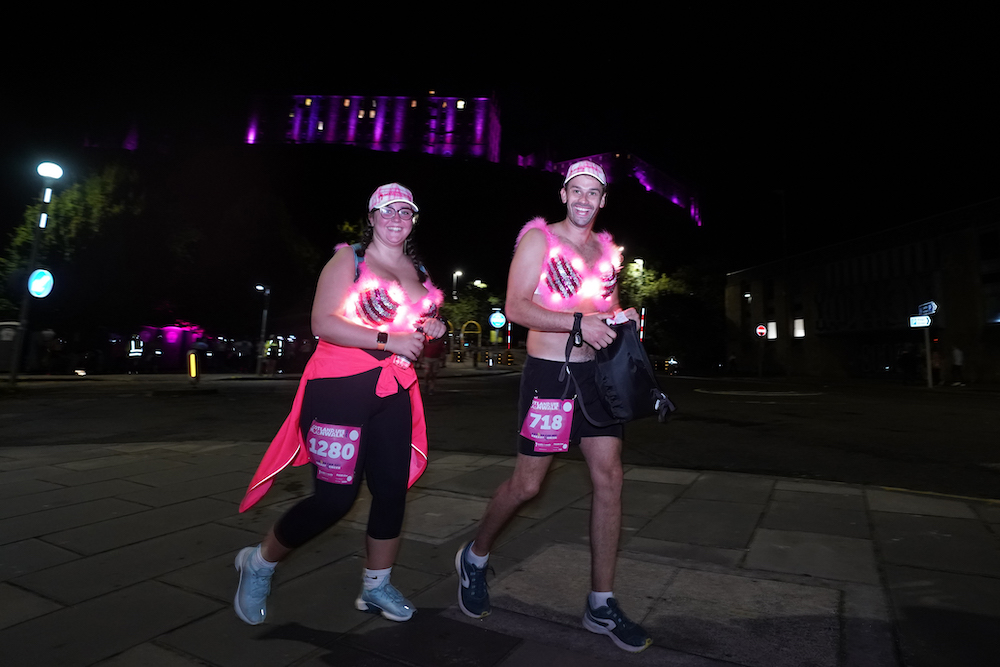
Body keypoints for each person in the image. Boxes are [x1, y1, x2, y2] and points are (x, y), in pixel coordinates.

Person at [455, 161, 652, 653]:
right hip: (551, 376)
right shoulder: (539, 240)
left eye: (593, 193)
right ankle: (474, 557)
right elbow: (517, 307)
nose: (584, 200)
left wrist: (620, 318)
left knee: (610, 478)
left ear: (603, 200)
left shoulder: (605, 251)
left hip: (598, 377)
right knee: (527, 485)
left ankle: (601, 603)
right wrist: (579, 323)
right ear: (564, 194)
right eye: (576, 191)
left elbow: (604, 307)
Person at [234, 183, 446, 626]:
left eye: (404, 211)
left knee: (392, 491)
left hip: (394, 389)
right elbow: (323, 323)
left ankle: (376, 587)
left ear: (413, 220)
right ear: (371, 218)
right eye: (386, 210)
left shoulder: (418, 269)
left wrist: (433, 326)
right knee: (334, 499)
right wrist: (389, 339)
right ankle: (260, 562)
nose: (395, 218)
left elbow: (417, 324)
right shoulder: (349, 260)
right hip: (339, 387)